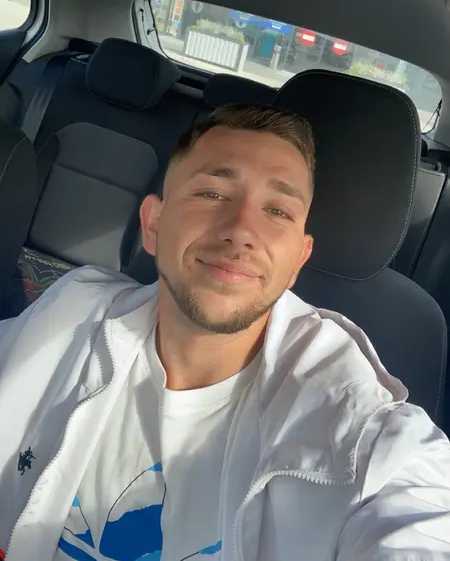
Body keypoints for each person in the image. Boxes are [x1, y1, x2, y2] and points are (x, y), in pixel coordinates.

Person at [0, 104, 449, 561]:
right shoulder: (71, 313)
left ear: (298, 259)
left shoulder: (362, 433)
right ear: (153, 225)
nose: (241, 231)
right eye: (213, 193)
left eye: (277, 210)